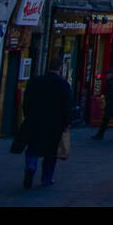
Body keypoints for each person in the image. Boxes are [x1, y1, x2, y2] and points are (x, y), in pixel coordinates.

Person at [20, 55, 71, 189]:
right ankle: (46, 178)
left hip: (35, 120)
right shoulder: (63, 84)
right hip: (54, 123)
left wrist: (27, 115)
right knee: (51, 152)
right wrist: (66, 123)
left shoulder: (35, 81)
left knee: (33, 147)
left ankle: (31, 166)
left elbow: (26, 102)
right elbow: (67, 106)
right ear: (60, 68)